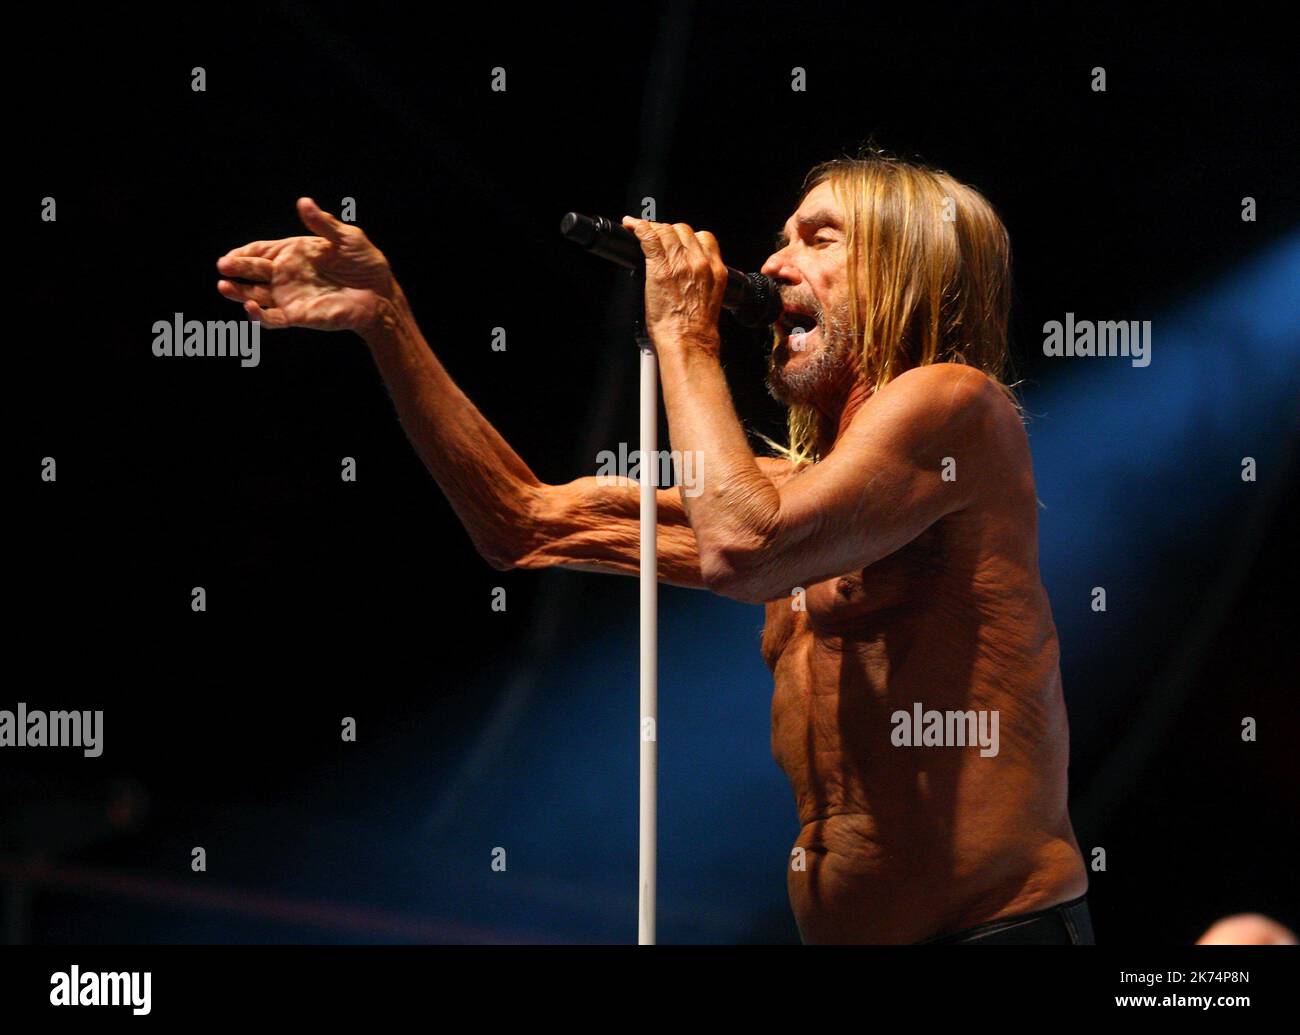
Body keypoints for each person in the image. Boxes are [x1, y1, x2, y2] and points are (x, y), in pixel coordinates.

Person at [215, 151, 1092, 944]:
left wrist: (682, 331)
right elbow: (521, 524)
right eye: (781, 238)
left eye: (819, 239)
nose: (774, 264)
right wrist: (388, 320)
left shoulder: (960, 406)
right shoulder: (794, 499)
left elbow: (743, 547)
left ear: (910, 268)